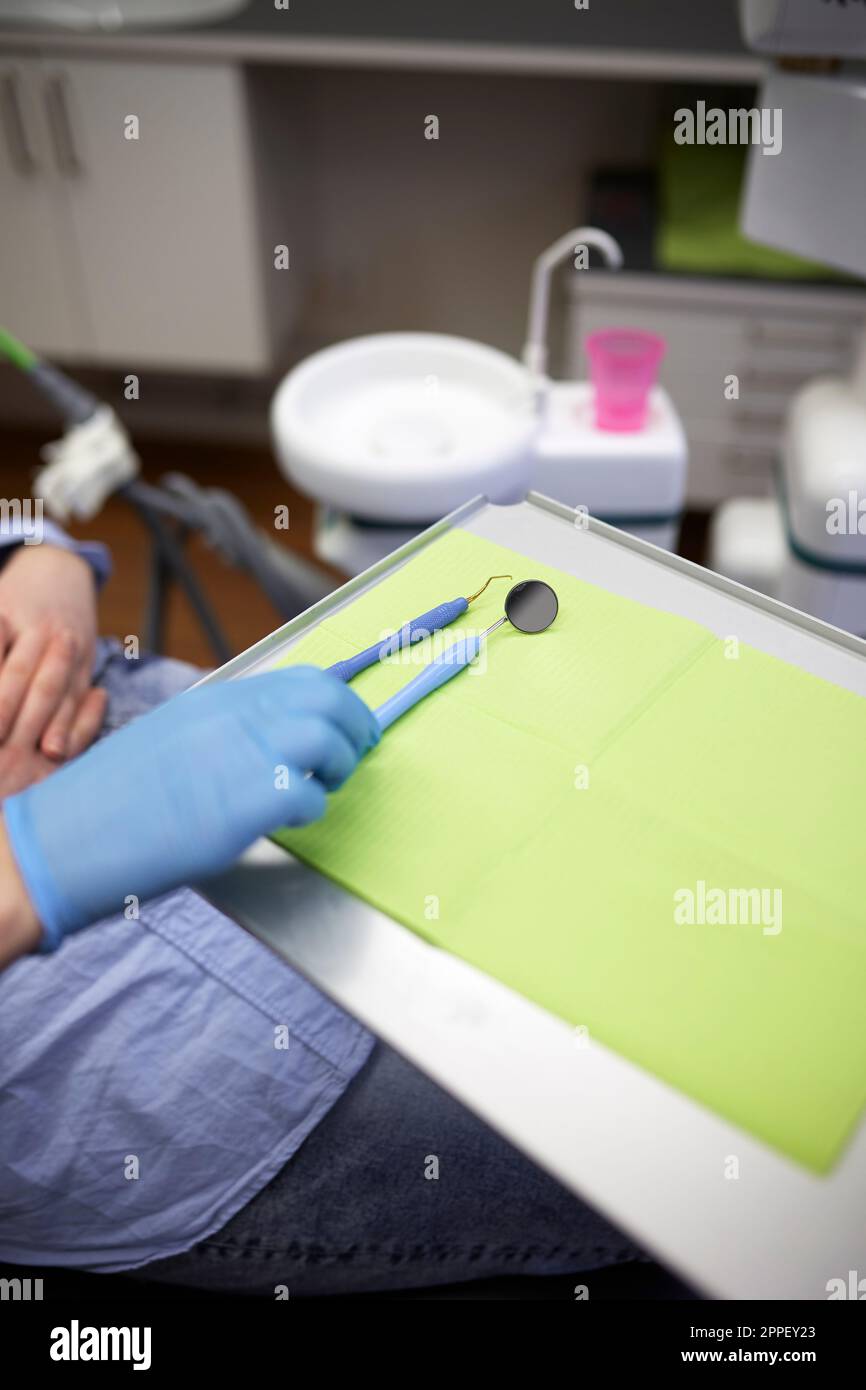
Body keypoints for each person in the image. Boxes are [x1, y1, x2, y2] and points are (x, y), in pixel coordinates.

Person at [0, 518, 640, 1295]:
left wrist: (39, 562)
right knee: (637, 1137)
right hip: (149, 1043)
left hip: (162, 730)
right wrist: (29, 863)